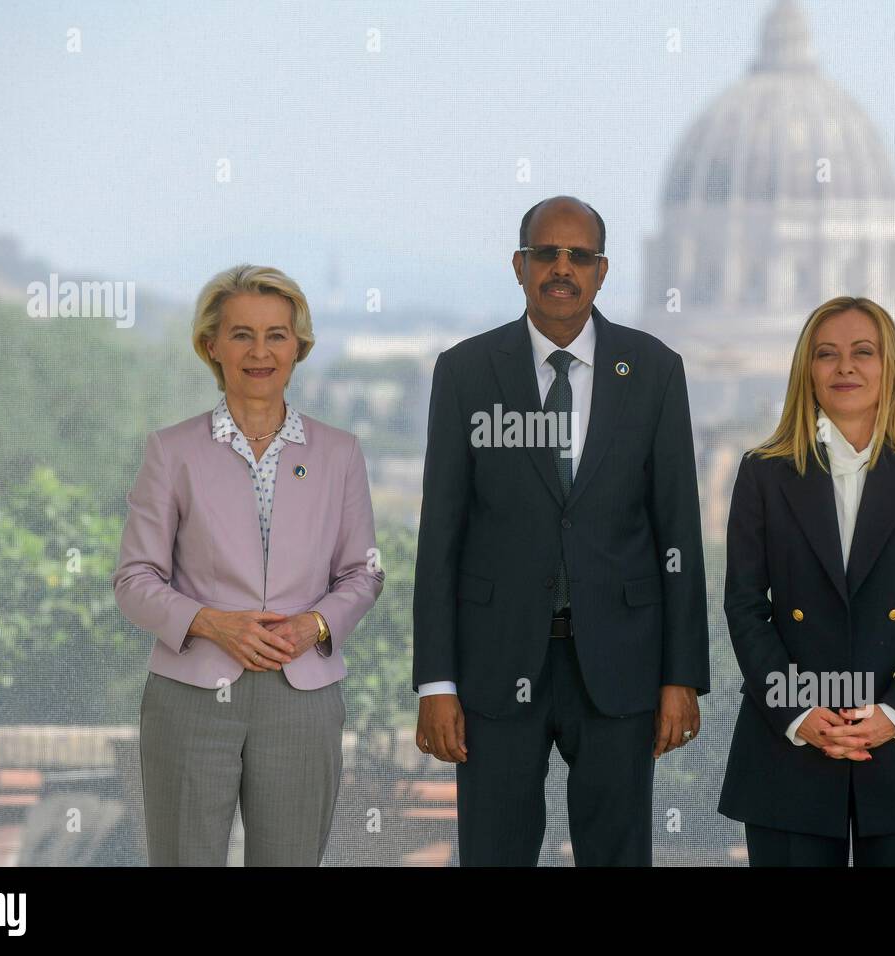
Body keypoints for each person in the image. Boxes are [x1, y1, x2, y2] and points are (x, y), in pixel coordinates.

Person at [412, 196, 710, 866]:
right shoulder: (464, 372)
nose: (561, 268)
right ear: (519, 265)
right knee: (493, 852)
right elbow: (441, 540)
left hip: (620, 666)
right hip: (495, 665)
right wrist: (436, 682)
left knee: (616, 854)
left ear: (602, 271)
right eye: (546, 253)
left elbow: (678, 534)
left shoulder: (656, 370)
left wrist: (681, 675)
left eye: (579, 256)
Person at [113, 264, 384, 865]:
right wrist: (213, 623)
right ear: (212, 345)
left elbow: (363, 572)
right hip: (190, 697)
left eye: (276, 335)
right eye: (241, 334)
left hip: (303, 696)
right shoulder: (172, 450)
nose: (260, 351)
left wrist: (312, 626)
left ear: (299, 346)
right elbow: (134, 579)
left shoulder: (339, 453)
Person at [718, 295, 895, 866]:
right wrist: (797, 714)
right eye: (827, 354)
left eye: (863, 352)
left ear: (889, 366)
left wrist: (891, 717)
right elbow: (745, 607)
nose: (845, 367)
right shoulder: (762, 472)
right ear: (805, 370)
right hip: (789, 746)